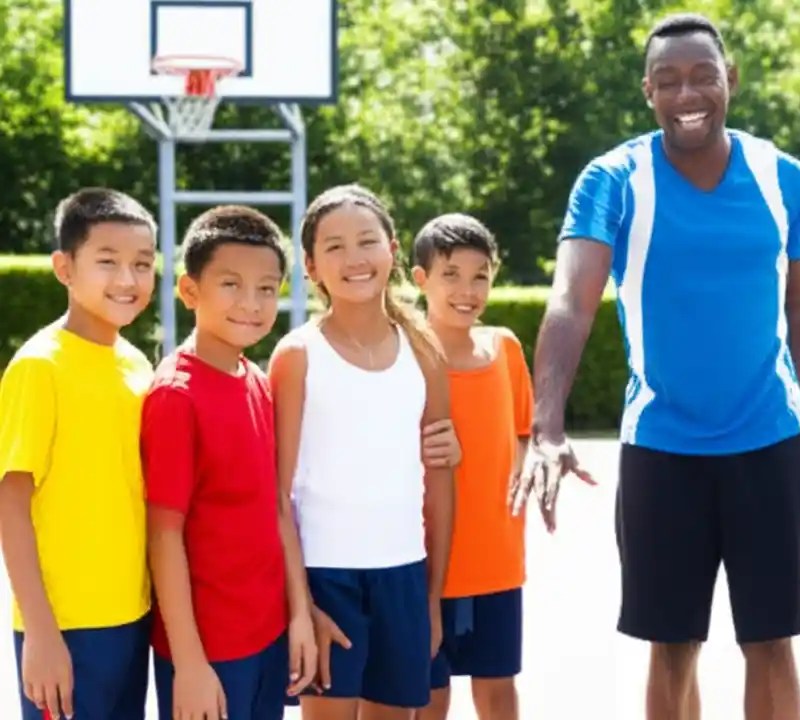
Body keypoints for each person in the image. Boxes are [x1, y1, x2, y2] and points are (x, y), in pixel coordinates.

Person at [516, 12, 800, 720]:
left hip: (772, 445)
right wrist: (547, 425)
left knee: (773, 641)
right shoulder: (614, 178)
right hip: (663, 449)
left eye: (702, 76)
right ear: (647, 92)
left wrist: (791, 406)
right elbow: (570, 300)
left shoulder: (784, 177)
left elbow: (797, 304)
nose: (688, 94)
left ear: (731, 81)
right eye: (668, 80)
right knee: (671, 644)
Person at [269, 184, 456, 720]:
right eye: (334, 246)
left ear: (391, 251)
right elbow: (277, 495)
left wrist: (432, 595)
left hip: (404, 576)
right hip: (325, 577)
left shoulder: (423, 350)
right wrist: (299, 603)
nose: (353, 258)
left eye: (366, 241)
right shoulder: (297, 354)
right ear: (310, 265)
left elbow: (440, 480)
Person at [140, 206, 316, 720]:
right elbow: (163, 536)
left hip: (267, 635)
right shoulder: (177, 395)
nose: (252, 303)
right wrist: (191, 665)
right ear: (190, 291)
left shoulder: (257, 379)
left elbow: (275, 506)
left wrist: (298, 615)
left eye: (267, 288)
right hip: (211, 652)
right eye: (231, 285)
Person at [0, 188, 157, 720]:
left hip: (133, 616)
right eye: (107, 262)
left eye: (142, 264)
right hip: (65, 626)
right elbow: (11, 503)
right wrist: (40, 633)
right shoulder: (39, 366)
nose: (127, 280)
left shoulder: (137, 364)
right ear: (64, 268)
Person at [411, 214, 533, 720]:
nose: (468, 289)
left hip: (497, 561)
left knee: (497, 691)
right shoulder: (407, 355)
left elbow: (522, 433)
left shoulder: (505, 347)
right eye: (451, 274)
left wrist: (524, 475)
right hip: (429, 564)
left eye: (480, 275)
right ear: (419, 279)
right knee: (430, 696)